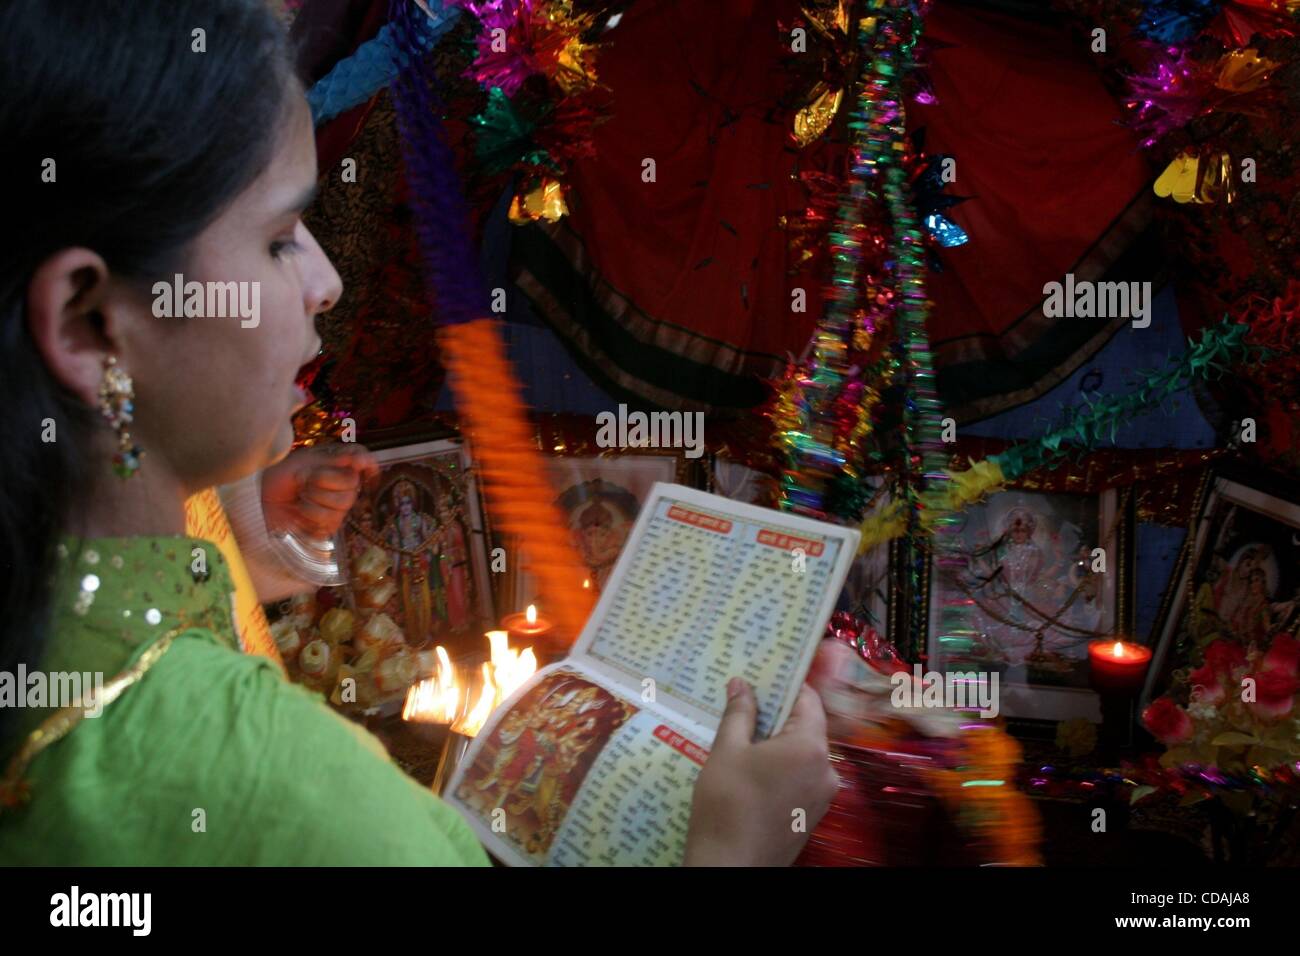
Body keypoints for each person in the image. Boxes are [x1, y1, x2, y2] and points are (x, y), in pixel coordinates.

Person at [0, 0, 837, 866]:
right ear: (88, 325)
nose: (326, 282)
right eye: (282, 239)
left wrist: (255, 527)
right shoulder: (295, 796)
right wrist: (733, 853)